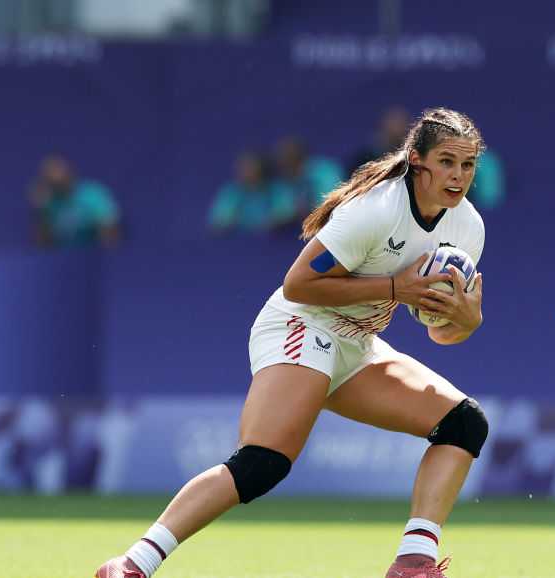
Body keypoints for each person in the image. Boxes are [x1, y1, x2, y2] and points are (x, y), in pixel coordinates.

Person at [96, 108, 488, 578]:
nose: (458, 176)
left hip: (357, 344)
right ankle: (132, 564)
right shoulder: (376, 210)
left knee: (464, 425)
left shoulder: (467, 228)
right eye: (447, 161)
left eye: (467, 165)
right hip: (300, 325)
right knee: (262, 464)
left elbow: (440, 331)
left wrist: (468, 319)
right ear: (417, 160)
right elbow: (298, 284)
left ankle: (413, 562)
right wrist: (393, 289)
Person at [28, 155, 121, 247]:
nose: (58, 184)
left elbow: (110, 230)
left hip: (93, 252)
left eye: (61, 179)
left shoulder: (91, 194)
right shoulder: (49, 203)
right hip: (63, 256)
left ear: (69, 175)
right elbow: (44, 244)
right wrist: (42, 211)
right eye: (52, 182)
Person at [208, 152, 296, 234]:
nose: (247, 172)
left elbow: (286, 214)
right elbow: (219, 221)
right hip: (241, 243)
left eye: (251, 167)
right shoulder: (231, 192)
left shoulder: (277, 189)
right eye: (244, 168)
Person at [273, 135, 344, 214]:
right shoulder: (282, 183)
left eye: (289, 156)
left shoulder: (324, 170)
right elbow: (281, 214)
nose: (285, 161)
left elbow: (333, 200)